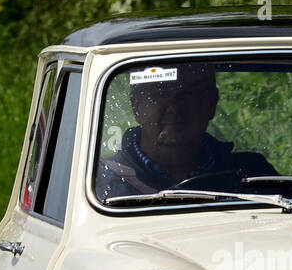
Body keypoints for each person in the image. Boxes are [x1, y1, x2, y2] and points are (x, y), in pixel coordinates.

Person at [97, 63, 276, 200]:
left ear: (211, 103)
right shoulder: (98, 183)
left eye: (190, 93)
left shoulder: (251, 174)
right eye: (161, 92)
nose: (175, 106)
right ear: (136, 107)